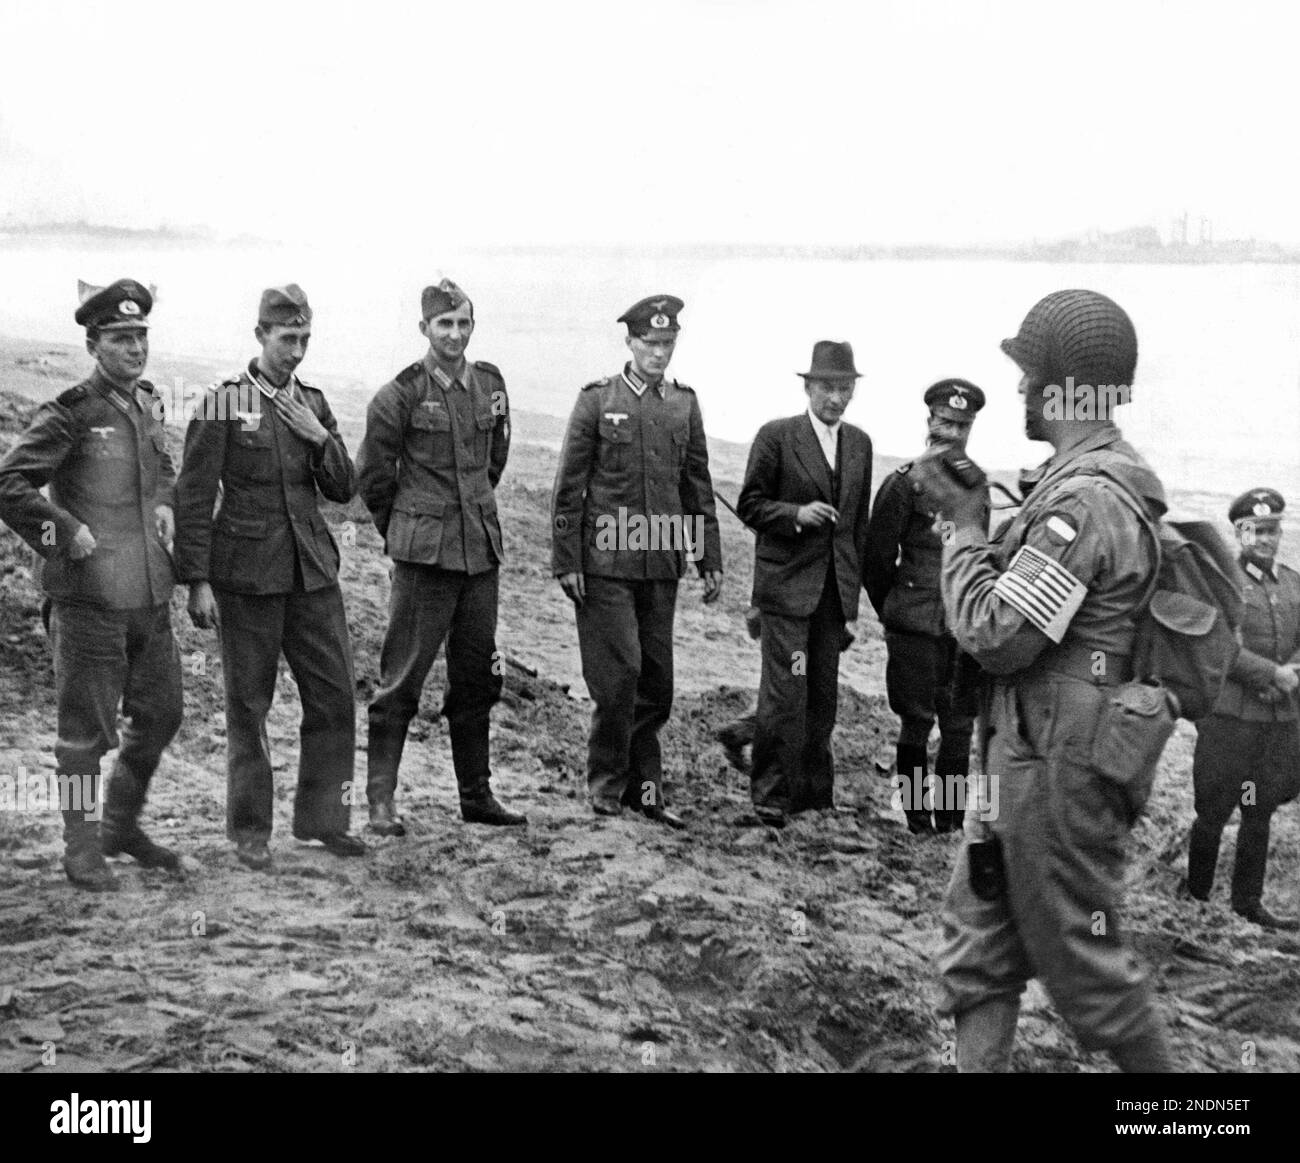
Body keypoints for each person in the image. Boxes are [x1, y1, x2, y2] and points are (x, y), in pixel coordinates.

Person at [911, 289, 1178, 1072]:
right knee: (981, 944)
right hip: (1023, 749)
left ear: (1065, 389)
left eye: (1030, 376)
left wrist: (965, 526)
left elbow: (998, 635)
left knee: (1089, 968)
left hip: (1059, 763)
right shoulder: (1075, 485)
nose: (1021, 392)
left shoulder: (1084, 502)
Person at [0, 279, 183, 890]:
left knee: (161, 715)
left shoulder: (150, 403)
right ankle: (82, 849)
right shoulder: (72, 410)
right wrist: (63, 532)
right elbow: (10, 484)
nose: (135, 349)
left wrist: (164, 502)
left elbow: (162, 469)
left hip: (149, 595)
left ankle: (120, 826)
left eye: (140, 338)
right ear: (93, 344)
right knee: (84, 735)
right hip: (88, 601)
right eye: (121, 338)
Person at [174, 284, 364, 870]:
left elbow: (344, 488)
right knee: (248, 707)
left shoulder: (312, 402)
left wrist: (320, 436)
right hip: (247, 577)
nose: (298, 350)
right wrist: (197, 581)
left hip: (311, 574)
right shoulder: (223, 402)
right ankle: (250, 831)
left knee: (334, 698)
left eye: (306, 338)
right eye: (288, 339)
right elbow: (194, 495)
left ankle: (323, 821)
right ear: (260, 336)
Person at [357, 278, 524, 831]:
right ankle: (381, 802)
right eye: (443, 324)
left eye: (463, 323)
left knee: (477, 677)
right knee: (402, 678)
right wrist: (406, 530)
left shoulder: (491, 385)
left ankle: (476, 796)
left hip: (479, 554)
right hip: (424, 559)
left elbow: (494, 458)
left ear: (472, 326)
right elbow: (375, 479)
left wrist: (471, 505)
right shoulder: (399, 394)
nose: (454, 334)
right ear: (424, 329)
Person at [551, 294, 723, 828]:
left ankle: (644, 792)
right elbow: (569, 488)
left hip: (661, 563)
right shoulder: (597, 401)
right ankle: (606, 783)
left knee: (656, 682)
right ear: (630, 343)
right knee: (619, 674)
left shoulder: (683, 405)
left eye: (667, 344)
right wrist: (567, 560)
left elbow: (696, 484)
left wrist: (707, 554)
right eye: (650, 343)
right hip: (605, 561)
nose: (659, 353)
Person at [737, 340, 872, 827]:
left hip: (832, 599)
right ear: (808, 387)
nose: (835, 398)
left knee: (823, 698)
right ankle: (770, 795)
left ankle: (815, 797)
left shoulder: (859, 444)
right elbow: (750, 505)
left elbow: (857, 529)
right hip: (786, 593)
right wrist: (796, 513)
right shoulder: (777, 437)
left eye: (844, 388)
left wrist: (852, 608)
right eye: (826, 387)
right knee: (785, 694)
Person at [865, 379, 988, 835]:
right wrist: (896, 611)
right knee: (916, 723)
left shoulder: (977, 488)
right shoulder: (904, 484)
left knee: (958, 727)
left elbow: (980, 558)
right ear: (929, 421)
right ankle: (917, 819)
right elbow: (876, 559)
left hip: (961, 628)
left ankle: (950, 822)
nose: (951, 433)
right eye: (944, 422)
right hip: (914, 627)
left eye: (961, 425)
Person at [1186, 488, 1300, 930]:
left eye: (1272, 530)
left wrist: (1290, 674)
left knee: (1259, 808)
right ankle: (1196, 896)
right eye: (1255, 530)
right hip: (1230, 719)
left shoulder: (1292, 582)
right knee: (1213, 809)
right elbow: (1216, 646)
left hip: (1277, 720)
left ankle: (1247, 902)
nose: (1265, 539)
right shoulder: (1222, 581)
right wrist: (1270, 674)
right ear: (1238, 532)